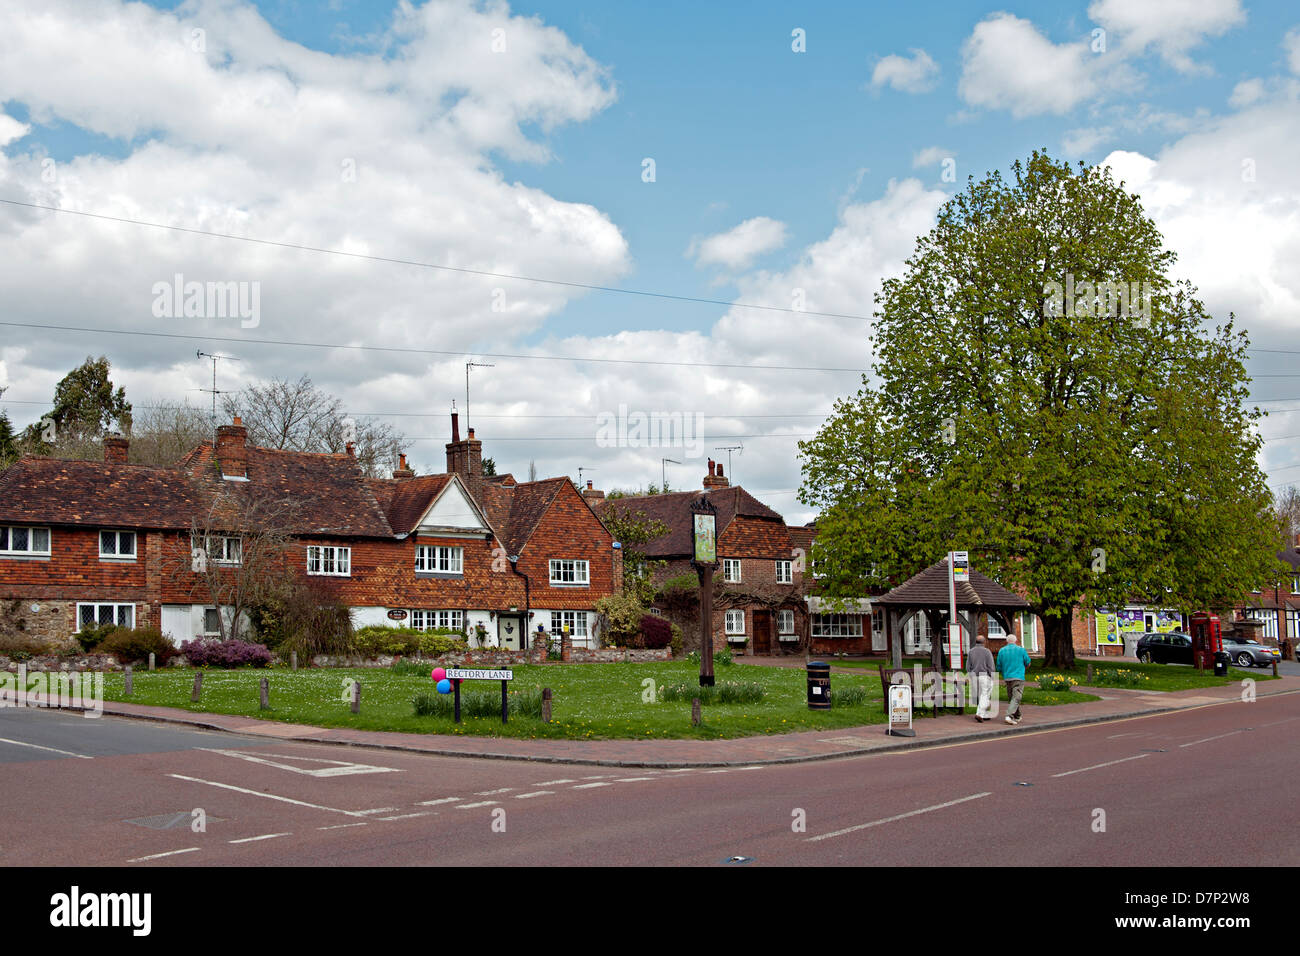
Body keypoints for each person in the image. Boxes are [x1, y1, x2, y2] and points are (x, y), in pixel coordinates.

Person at [996, 633, 1032, 724]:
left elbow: (998, 666)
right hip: (1018, 676)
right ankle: (1009, 715)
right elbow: (1028, 662)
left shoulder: (1002, 651)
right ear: (1016, 641)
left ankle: (1017, 716)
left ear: (1006, 641)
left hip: (1007, 677)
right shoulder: (1021, 650)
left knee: (1012, 697)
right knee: (1016, 697)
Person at [967, 634, 996, 722]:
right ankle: (979, 714)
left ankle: (984, 714)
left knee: (980, 696)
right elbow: (991, 666)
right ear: (984, 642)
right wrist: (992, 676)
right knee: (985, 695)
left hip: (974, 675)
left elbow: (968, 666)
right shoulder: (987, 651)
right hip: (984, 675)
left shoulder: (971, 651)